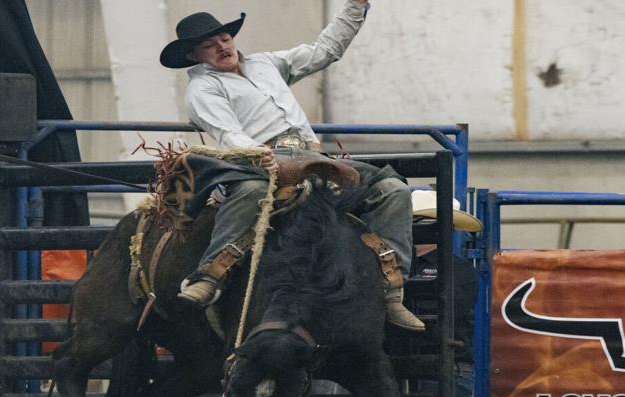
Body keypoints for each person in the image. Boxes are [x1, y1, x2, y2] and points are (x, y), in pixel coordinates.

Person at [161, 0, 427, 332]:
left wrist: (355, 6)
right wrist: (259, 155)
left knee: (392, 190)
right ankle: (211, 274)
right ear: (193, 56)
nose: (222, 47)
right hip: (259, 160)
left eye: (225, 39)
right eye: (208, 45)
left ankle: (391, 289)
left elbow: (325, 51)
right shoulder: (203, 88)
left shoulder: (266, 64)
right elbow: (229, 134)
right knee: (251, 191)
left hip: (312, 155)